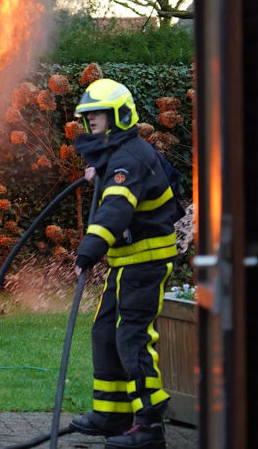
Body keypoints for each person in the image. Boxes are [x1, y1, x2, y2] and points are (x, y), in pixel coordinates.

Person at [68, 78, 180, 449]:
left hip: (145, 262)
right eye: (88, 115)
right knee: (105, 331)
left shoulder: (129, 158)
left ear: (119, 115)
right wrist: (98, 173)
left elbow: (116, 209)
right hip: (127, 262)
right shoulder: (120, 153)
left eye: (97, 114)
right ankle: (111, 414)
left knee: (133, 337)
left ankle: (149, 425)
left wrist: (88, 250)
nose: (90, 121)